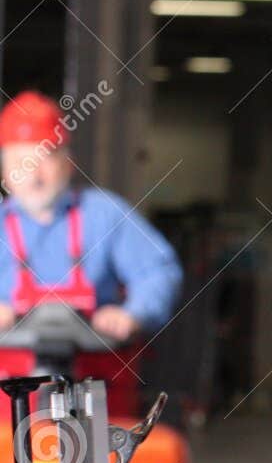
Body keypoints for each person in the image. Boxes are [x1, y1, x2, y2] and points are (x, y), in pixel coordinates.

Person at [0, 90, 181, 343]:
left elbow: (158, 270)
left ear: (68, 163)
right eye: (20, 162)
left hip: (96, 374)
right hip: (9, 377)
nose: (33, 176)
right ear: (5, 171)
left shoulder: (105, 213)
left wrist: (133, 313)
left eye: (44, 159)